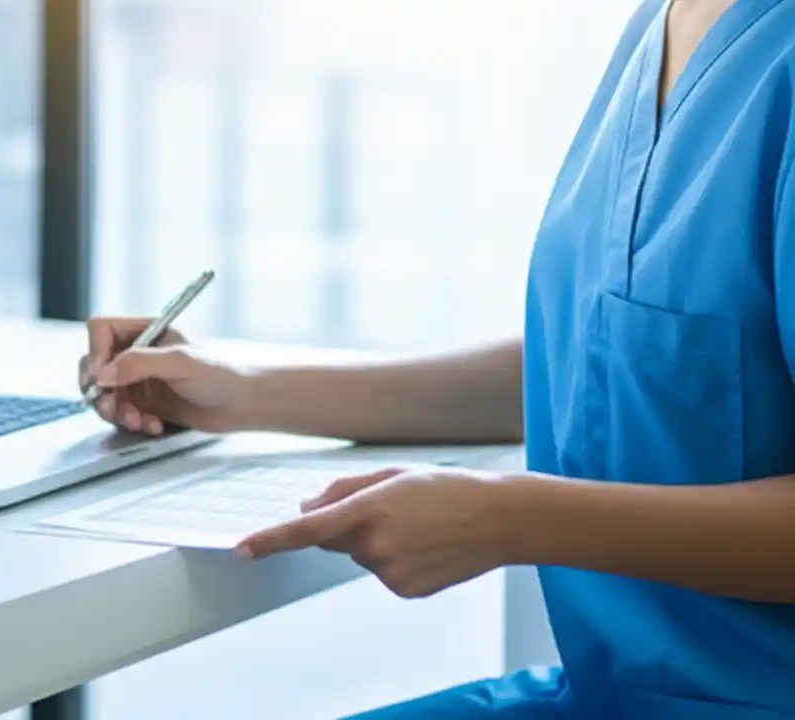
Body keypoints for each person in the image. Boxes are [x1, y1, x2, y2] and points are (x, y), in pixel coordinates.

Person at [77, 0, 795, 717]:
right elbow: (604, 364)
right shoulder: (665, 21)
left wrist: (510, 519)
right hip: (604, 698)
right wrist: (245, 391)